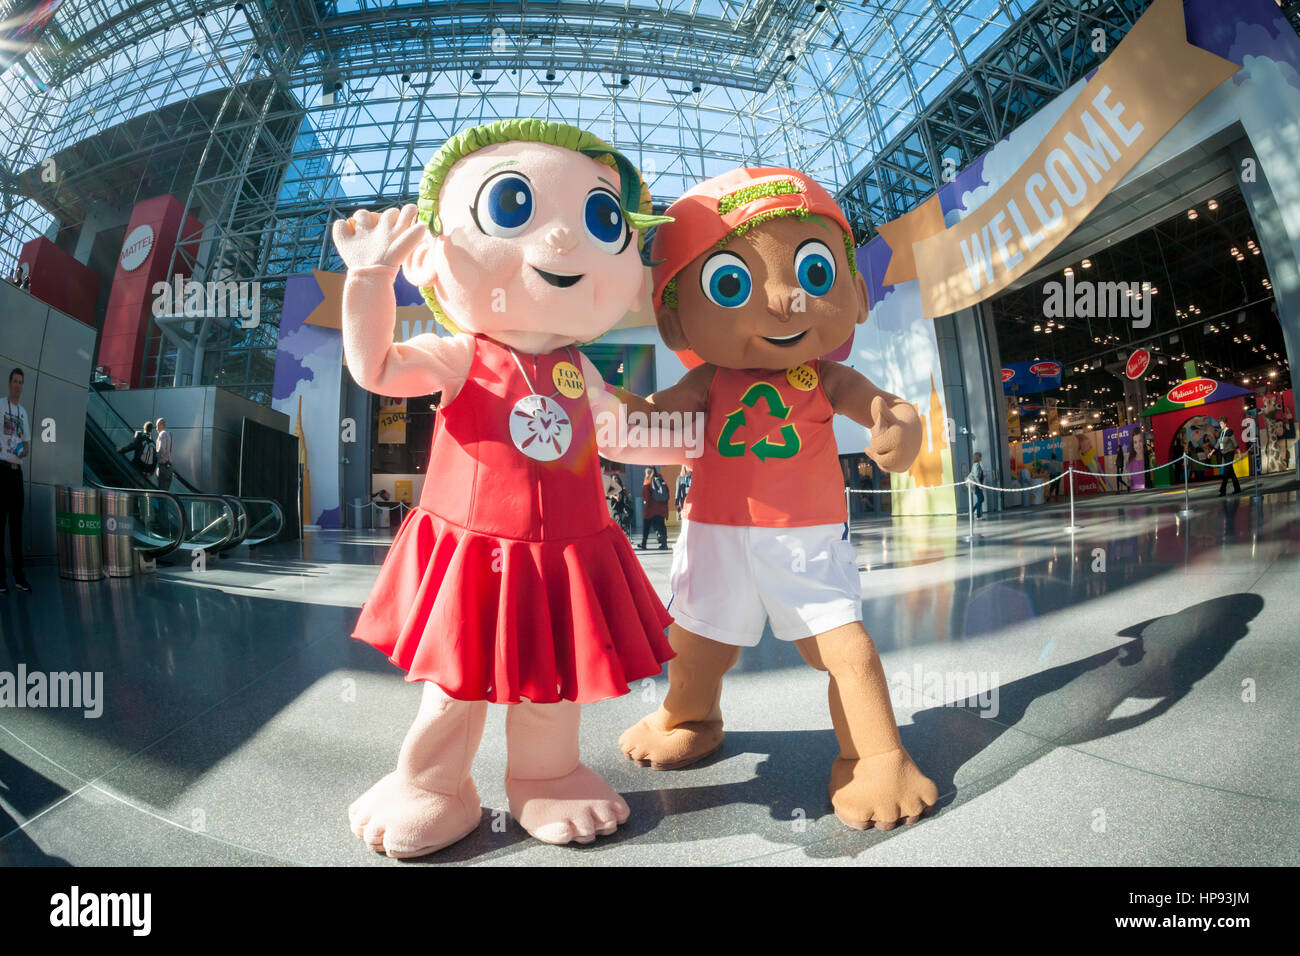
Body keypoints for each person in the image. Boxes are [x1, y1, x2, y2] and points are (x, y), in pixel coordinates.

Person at [332, 119, 677, 857]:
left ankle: (546, 780)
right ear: (433, 255)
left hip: (567, 554)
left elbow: (619, 434)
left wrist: (703, 445)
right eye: (515, 206)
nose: (564, 241)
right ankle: (433, 785)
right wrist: (367, 281)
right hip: (477, 553)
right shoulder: (462, 354)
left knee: (554, 682)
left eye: (600, 220)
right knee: (458, 684)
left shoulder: (579, 370)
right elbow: (378, 368)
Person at [618, 166, 936, 832]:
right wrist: (605, 408)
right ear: (677, 316)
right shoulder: (706, 380)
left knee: (842, 648)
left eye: (814, 275)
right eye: (731, 284)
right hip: (714, 532)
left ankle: (876, 754)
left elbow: (885, 403)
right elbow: (648, 420)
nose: (785, 298)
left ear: (851, 291)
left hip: (806, 534)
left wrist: (900, 426)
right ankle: (689, 717)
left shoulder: (826, 376)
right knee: (696, 641)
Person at [1, 368, 32, 594]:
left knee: (16, 527)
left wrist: (23, 451)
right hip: (1, 471)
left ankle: (19, 577)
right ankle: (0, 579)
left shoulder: (23, 412)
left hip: (16, 473)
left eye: (21, 382)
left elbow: (27, 445)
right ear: (9, 383)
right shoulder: (0, 405)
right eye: (15, 381)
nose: (18, 385)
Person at [640, 465, 669, 549]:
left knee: (646, 527)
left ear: (647, 473)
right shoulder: (660, 479)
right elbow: (667, 492)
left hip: (650, 509)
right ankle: (664, 544)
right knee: (661, 526)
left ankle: (644, 543)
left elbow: (646, 496)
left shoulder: (647, 481)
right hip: (661, 508)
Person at [1216, 416, 1241, 496]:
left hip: (1230, 453)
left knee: (1226, 472)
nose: (1220, 425)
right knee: (1231, 472)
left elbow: (1234, 442)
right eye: (1219, 423)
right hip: (1224, 454)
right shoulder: (1220, 433)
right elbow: (1218, 443)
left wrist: (1239, 452)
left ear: (1225, 424)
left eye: (1221, 423)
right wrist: (1212, 451)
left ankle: (1222, 490)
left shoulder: (1229, 431)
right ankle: (1237, 489)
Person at [154, 417, 173, 489]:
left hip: (163, 467)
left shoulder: (162, 434)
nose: (156, 429)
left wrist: (155, 457)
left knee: (161, 492)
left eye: (157, 426)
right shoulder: (169, 434)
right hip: (169, 468)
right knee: (165, 492)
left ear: (161, 425)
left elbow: (161, 450)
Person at [968, 452, 986, 519]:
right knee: (981, 499)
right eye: (980, 456)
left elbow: (978, 474)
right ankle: (978, 515)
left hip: (977, 485)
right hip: (976, 485)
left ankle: (972, 512)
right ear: (978, 457)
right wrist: (979, 485)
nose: (981, 458)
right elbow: (976, 476)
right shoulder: (976, 465)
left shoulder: (977, 464)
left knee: (980, 499)